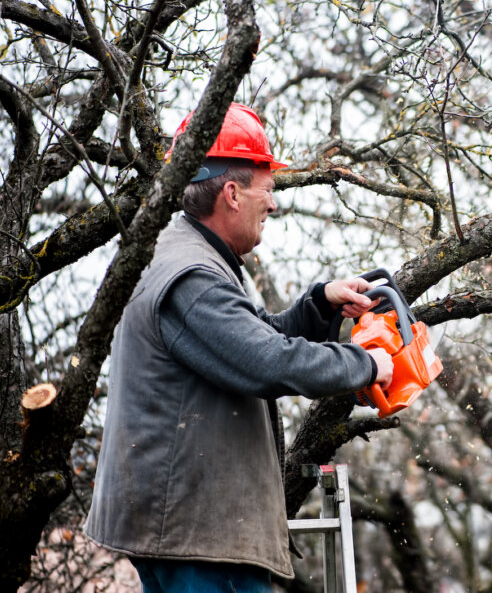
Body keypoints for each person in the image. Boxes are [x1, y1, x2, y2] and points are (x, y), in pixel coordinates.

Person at [84, 102, 393, 593]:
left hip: (185, 531)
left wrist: (320, 303)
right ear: (232, 193)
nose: (273, 205)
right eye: (267, 191)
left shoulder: (185, 255)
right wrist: (368, 364)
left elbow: (250, 339)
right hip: (199, 539)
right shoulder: (193, 277)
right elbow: (267, 361)